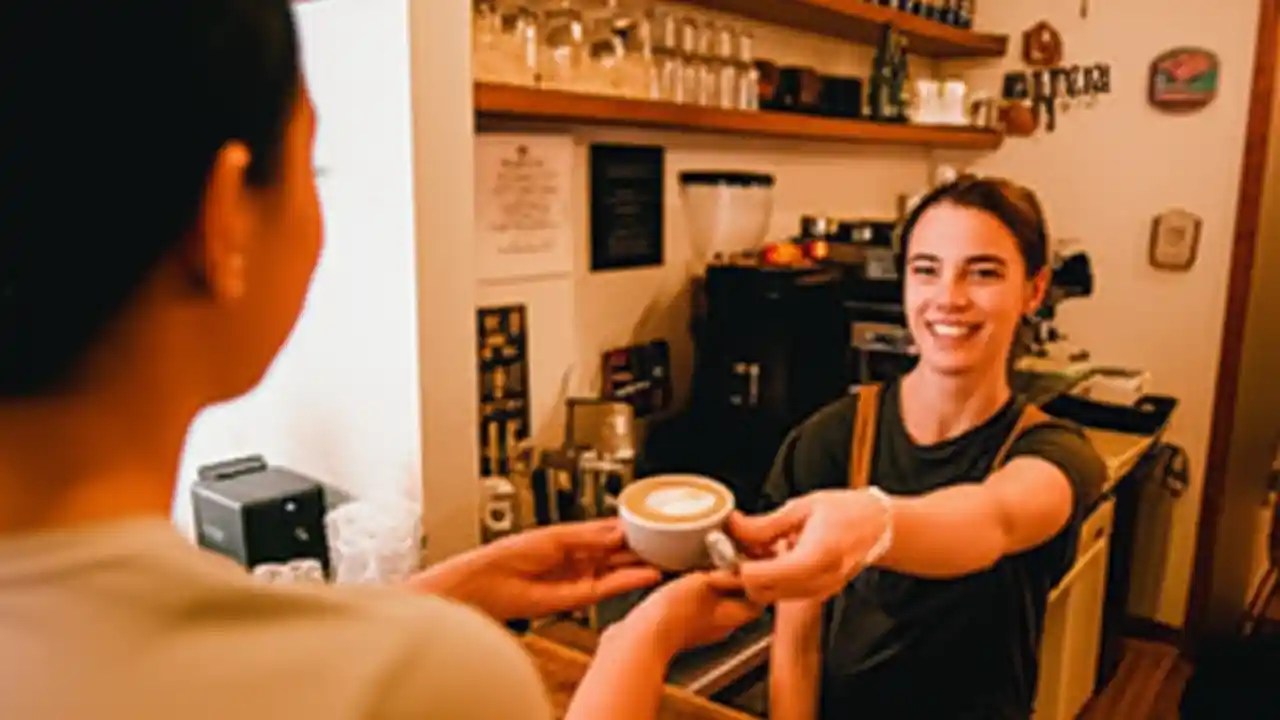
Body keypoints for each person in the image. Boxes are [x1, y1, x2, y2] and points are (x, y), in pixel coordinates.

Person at [0, 3, 759, 719]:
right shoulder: (428, 680)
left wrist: (435, 595)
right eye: (313, 168)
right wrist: (640, 639)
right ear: (223, 217)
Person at [727, 176, 1108, 719]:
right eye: (926, 270)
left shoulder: (1053, 454)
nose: (948, 299)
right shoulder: (832, 440)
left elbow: (993, 518)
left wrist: (871, 525)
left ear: (1034, 290)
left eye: (983, 273)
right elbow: (797, 646)